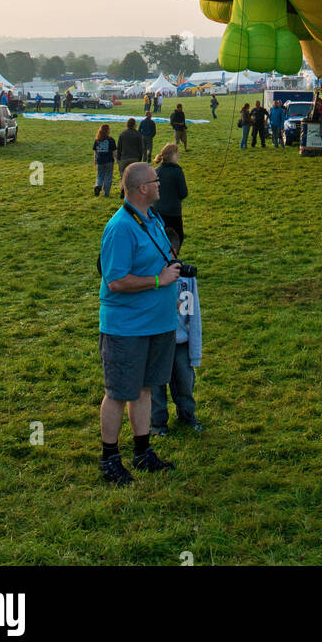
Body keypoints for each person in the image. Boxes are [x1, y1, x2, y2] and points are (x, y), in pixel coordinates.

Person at [97, 162, 180, 485]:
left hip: (157, 322)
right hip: (127, 327)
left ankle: (142, 451)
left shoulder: (153, 218)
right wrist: (158, 282)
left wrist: (168, 286)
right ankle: (109, 458)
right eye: (155, 181)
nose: (160, 184)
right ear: (141, 188)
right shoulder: (120, 228)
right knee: (119, 392)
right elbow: (115, 280)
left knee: (145, 388)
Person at [151, 230, 203, 437]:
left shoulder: (186, 279)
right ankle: (157, 423)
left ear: (172, 251)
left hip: (180, 342)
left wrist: (194, 351)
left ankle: (187, 415)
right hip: (155, 341)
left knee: (184, 381)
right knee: (155, 385)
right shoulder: (150, 276)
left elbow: (194, 315)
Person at [154, 142, 188, 244]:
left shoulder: (156, 171)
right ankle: (172, 258)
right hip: (173, 212)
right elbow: (183, 192)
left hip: (157, 210)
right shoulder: (177, 171)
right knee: (177, 238)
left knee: (160, 239)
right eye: (177, 153)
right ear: (173, 155)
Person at [93, 123, 118, 198]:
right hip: (109, 161)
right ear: (107, 131)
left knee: (99, 175)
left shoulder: (97, 140)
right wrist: (117, 159)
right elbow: (114, 152)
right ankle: (106, 193)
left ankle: (98, 185)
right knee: (108, 176)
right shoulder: (111, 140)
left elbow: (95, 152)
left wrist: (95, 160)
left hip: (99, 160)